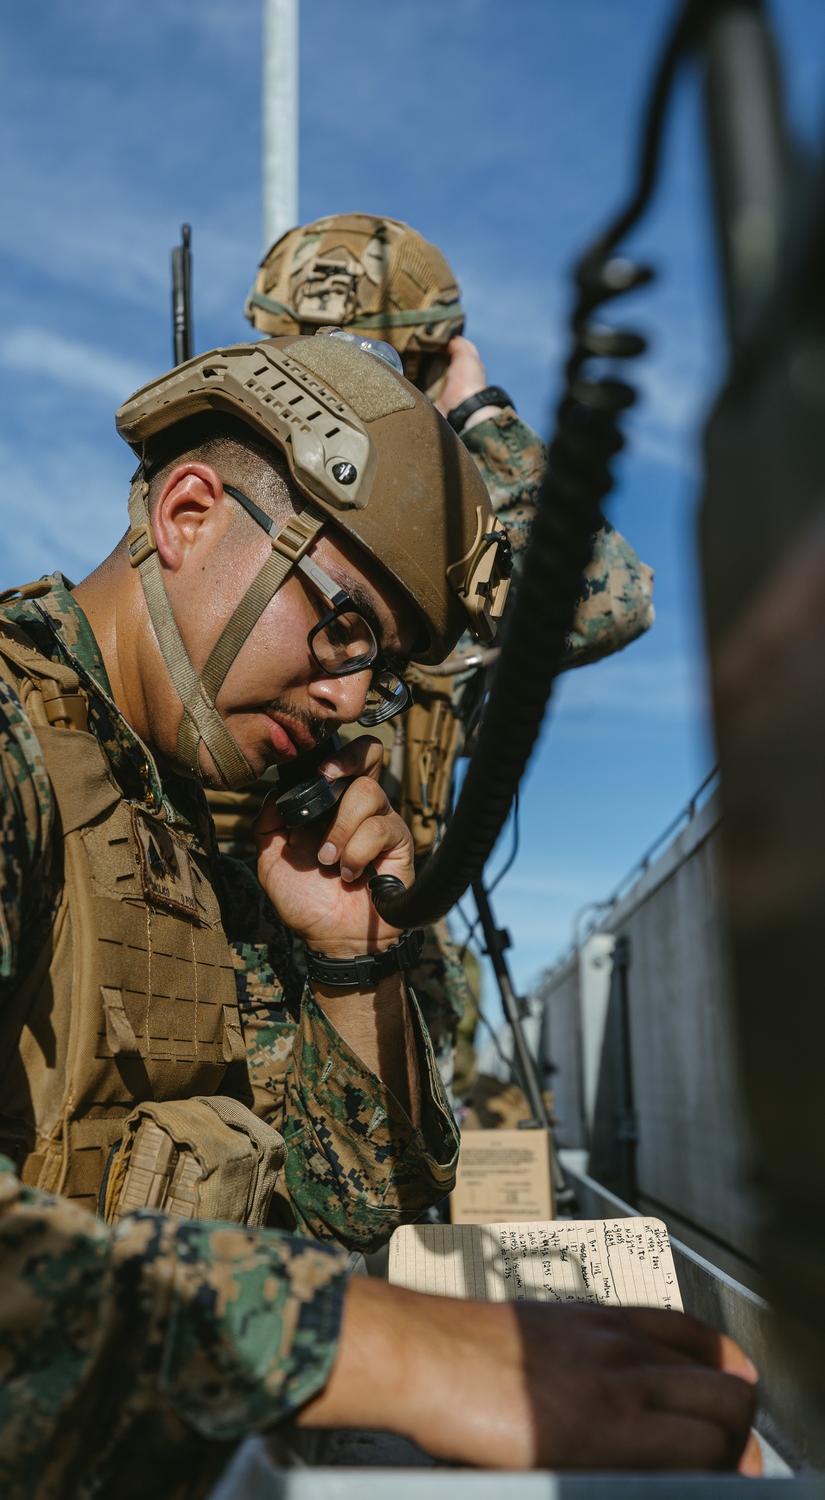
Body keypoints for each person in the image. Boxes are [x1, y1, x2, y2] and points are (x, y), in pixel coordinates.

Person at [0, 332, 756, 1494]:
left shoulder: (201, 810)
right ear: (189, 514)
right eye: (344, 625)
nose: (353, 696)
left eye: (385, 660)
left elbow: (365, 1205)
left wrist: (351, 964)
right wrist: (372, 1346)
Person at [209, 213, 658, 1108]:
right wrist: (476, 411)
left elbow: (605, 596)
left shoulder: (432, 563)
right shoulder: (228, 502)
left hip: (384, 947)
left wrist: (477, 424)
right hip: (231, 951)